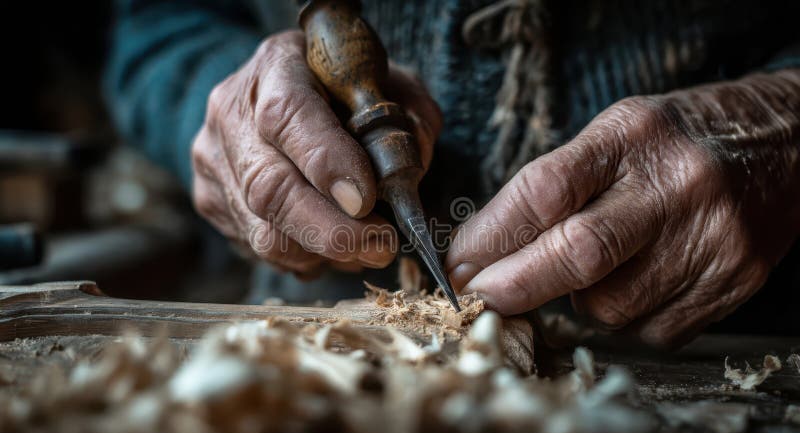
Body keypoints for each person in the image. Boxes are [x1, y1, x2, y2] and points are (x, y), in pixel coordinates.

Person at [105, 0, 800, 347]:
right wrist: (226, 105)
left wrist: (783, 121)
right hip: (329, 338)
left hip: (735, 326)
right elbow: (156, 24)